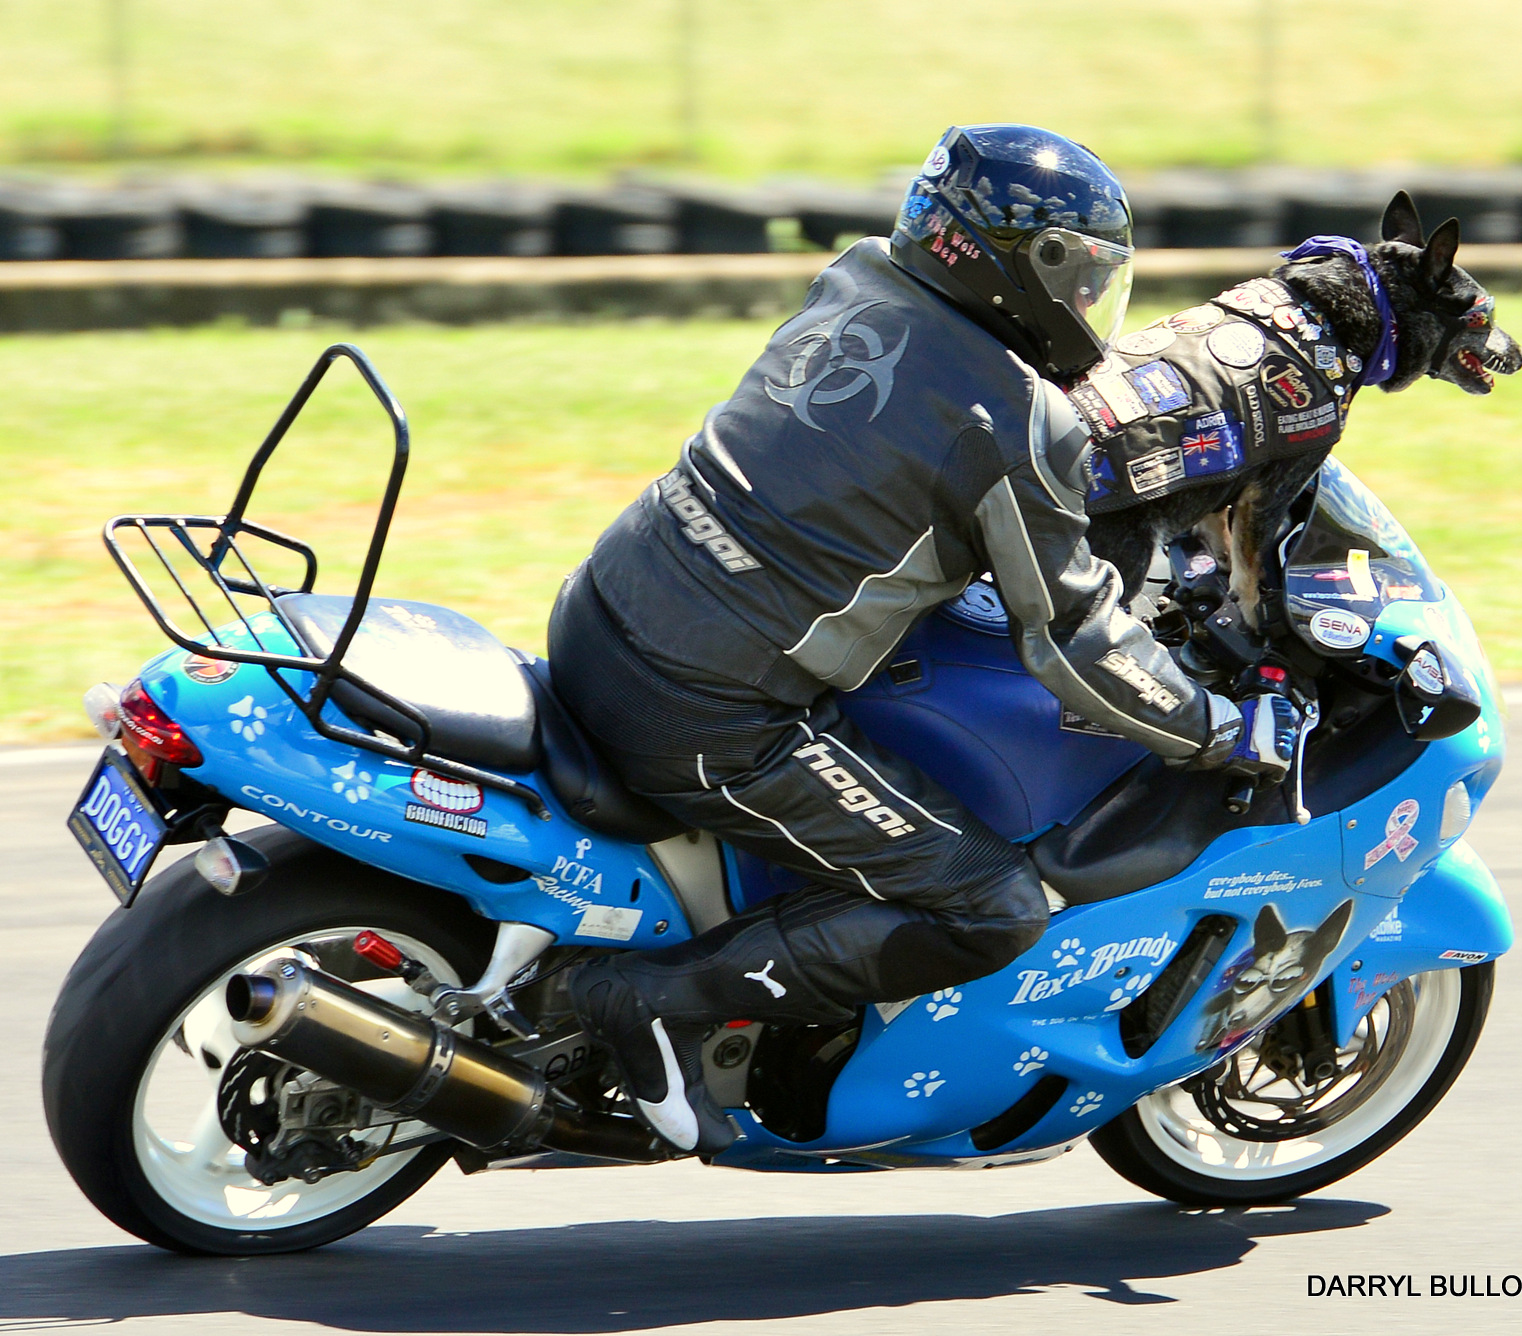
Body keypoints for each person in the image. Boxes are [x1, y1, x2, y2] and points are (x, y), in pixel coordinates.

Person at [551, 124, 1299, 1154]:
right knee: (991, 907)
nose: (1092, 302)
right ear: (1026, 266)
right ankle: (649, 1000)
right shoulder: (1012, 417)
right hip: (702, 712)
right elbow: (1075, 640)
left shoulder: (855, 280)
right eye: (1084, 277)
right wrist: (1215, 726)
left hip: (601, 607)